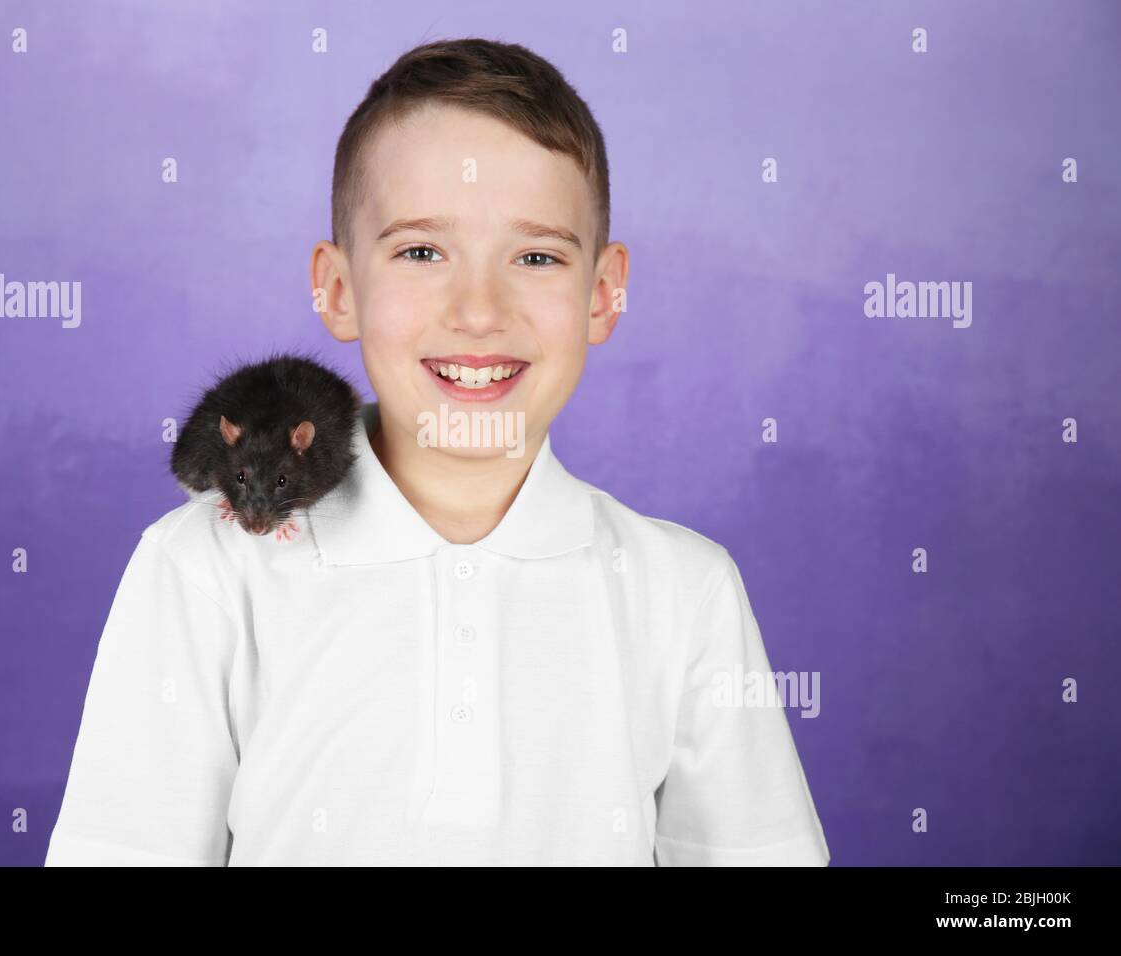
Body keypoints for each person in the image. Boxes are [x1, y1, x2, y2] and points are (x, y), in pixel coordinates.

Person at [45, 37, 831, 866]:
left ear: (603, 295)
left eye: (535, 257)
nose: (479, 310)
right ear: (339, 290)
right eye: (422, 252)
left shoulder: (684, 592)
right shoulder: (200, 570)